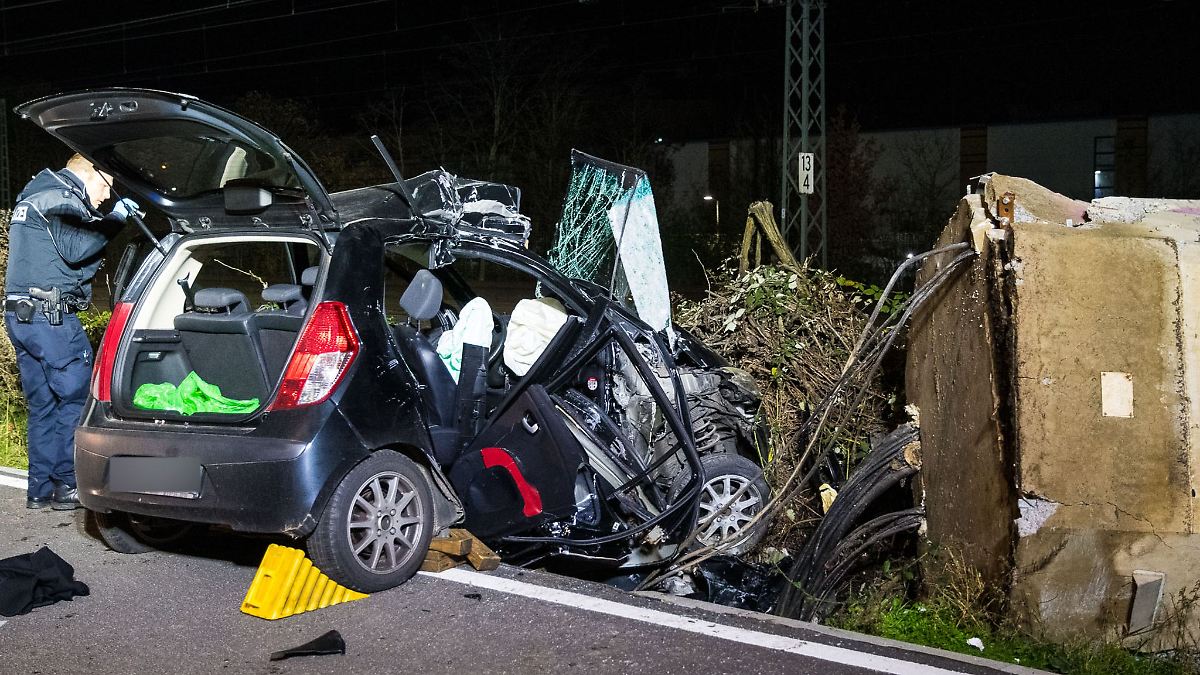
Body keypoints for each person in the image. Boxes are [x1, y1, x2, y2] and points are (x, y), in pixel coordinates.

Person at [5, 153, 138, 510]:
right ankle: (67, 484)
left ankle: (39, 489)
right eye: (105, 188)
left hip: (22, 318)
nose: (104, 199)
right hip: (51, 321)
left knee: (43, 406)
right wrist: (116, 218)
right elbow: (77, 248)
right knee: (75, 401)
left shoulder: (35, 193)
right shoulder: (61, 197)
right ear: (92, 173)